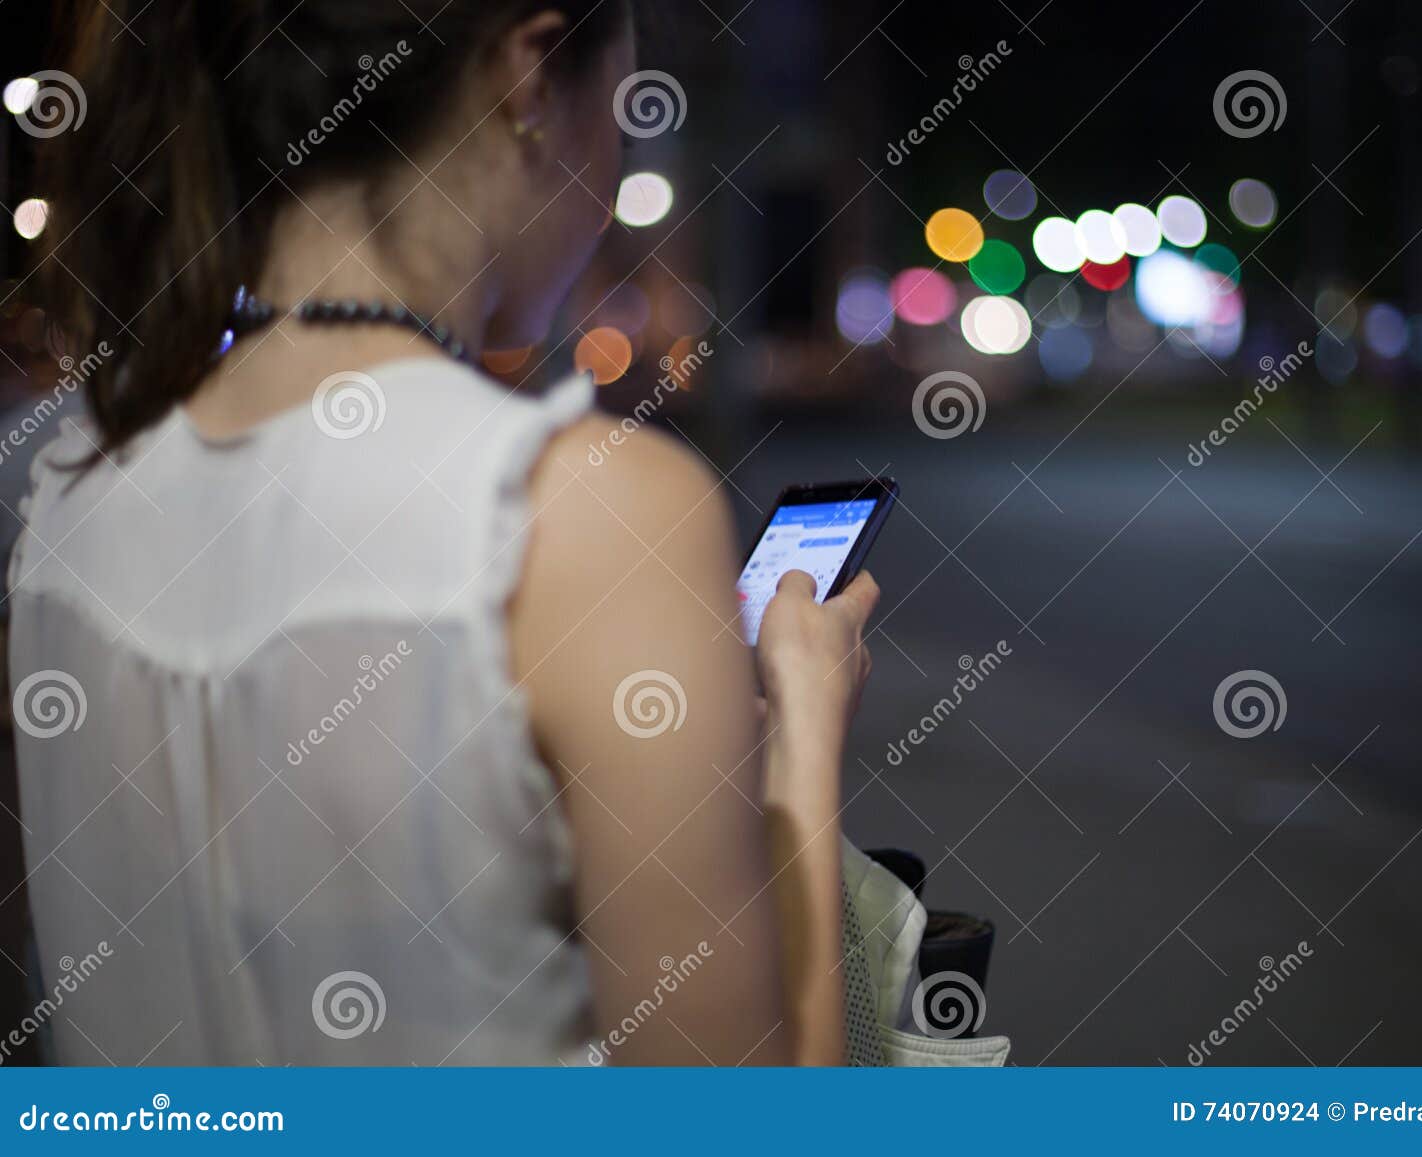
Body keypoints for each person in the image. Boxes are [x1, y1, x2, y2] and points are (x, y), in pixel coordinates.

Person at [8, 0, 876, 1065]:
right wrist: (801, 745)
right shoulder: (586, 511)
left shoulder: (57, 483)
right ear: (529, 73)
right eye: (624, 102)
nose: (613, 168)